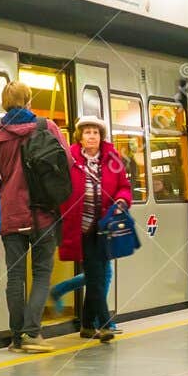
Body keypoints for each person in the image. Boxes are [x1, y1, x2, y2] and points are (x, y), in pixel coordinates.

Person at [0, 80, 64, 352]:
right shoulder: (48, 127)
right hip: (44, 212)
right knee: (42, 273)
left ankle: (18, 338)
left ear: (4, 104)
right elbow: (66, 165)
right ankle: (32, 332)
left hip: (11, 215)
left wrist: (6, 188)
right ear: (29, 101)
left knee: (15, 277)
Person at [57, 116, 133, 342]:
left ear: (101, 137)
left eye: (96, 132)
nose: (92, 136)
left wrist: (121, 201)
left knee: (96, 276)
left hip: (104, 228)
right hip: (80, 228)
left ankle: (88, 325)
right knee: (96, 275)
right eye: (87, 132)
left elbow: (124, 187)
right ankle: (105, 323)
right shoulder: (69, 158)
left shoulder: (112, 158)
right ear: (80, 136)